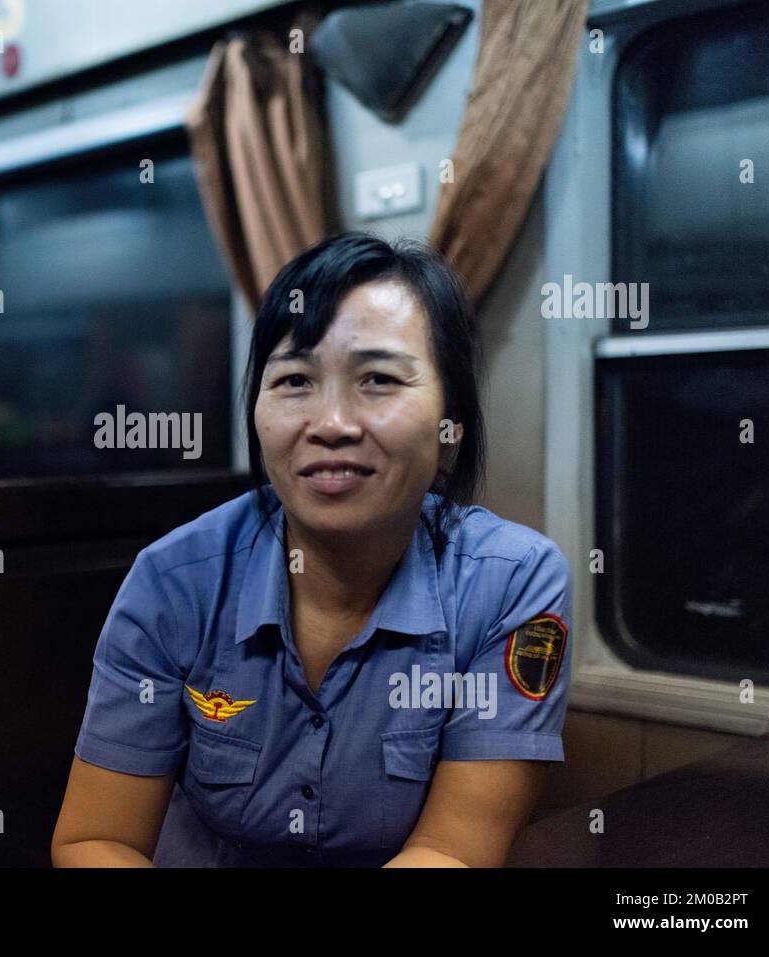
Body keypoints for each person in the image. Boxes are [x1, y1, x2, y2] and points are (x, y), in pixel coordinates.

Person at [51, 231, 573, 868]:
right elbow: (95, 841)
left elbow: (451, 851)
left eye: (378, 379)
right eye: (295, 380)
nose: (330, 424)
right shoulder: (173, 581)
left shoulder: (514, 583)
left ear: (450, 427)